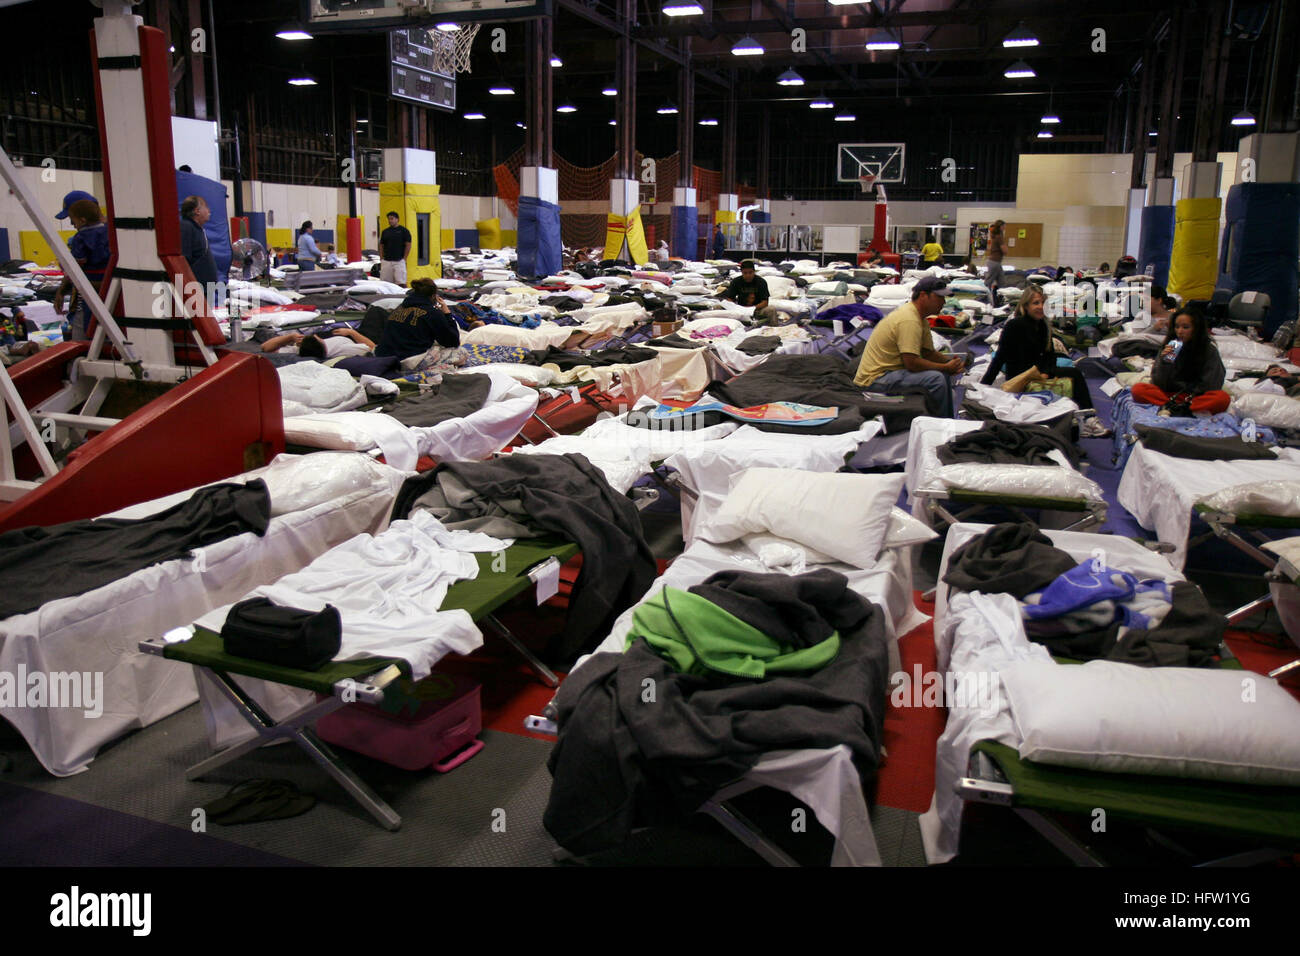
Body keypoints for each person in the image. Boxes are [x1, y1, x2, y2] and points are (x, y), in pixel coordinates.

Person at [980, 285, 1100, 419]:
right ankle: (1088, 417)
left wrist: (1045, 372)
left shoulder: (1043, 326)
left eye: (1043, 303)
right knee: (1075, 374)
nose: (1041, 306)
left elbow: (1050, 356)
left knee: (1074, 373)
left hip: (1039, 373)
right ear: (1025, 305)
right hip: (1021, 377)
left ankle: (1086, 416)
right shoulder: (1014, 325)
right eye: (1036, 303)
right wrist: (983, 387)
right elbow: (1000, 358)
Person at [853, 275, 963, 417]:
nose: (943, 302)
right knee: (936, 379)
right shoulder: (909, 319)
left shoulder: (919, 317)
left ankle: (946, 422)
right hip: (875, 379)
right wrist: (946, 367)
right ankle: (941, 425)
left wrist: (951, 363)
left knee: (941, 374)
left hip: (888, 372)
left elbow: (928, 353)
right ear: (923, 295)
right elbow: (912, 363)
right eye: (939, 297)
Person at [1131, 306, 1230, 415]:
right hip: (1169, 394)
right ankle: (1177, 408)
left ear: (1196, 328)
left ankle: (1179, 409)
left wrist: (1188, 392)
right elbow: (1159, 381)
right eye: (1177, 327)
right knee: (1138, 389)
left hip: (1195, 397)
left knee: (1222, 398)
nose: (1180, 331)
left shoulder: (1208, 350)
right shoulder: (1172, 346)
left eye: (1185, 327)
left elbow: (1212, 384)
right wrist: (1167, 361)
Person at [53, 195, 111, 341]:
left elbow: (75, 265)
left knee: (85, 336)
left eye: (72, 219)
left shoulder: (82, 237)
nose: (72, 224)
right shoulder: (109, 233)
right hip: (95, 290)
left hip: (93, 294)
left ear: (82, 218)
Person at [375, 277, 460, 360]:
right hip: (406, 359)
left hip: (382, 356)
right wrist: (447, 313)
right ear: (434, 296)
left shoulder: (399, 308)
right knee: (460, 353)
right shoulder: (432, 313)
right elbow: (453, 342)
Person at [180, 195, 219, 305]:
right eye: (206, 207)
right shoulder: (186, 227)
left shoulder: (198, 229)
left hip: (205, 288)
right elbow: (184, 259)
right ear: (197, 211)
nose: (209, 211)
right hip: (196, 288)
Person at [261, 326, 374, 360]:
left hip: (338, 336)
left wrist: (290, 337)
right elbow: (373, 347)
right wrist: (352, 332)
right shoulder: (345, 349)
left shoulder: (297, 350)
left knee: (264, 332)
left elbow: (265, 347)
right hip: (351, 336)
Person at [721, 259, 775, 325]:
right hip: (740, 309)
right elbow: (730, 299)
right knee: (719, 307)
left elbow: (765, 302)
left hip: (756, 310)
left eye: (750, 272)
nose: (748, 275)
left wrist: (752, 309)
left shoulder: (761, 282)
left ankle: (774, 328)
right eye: (745, 273)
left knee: (771, 309)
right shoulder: (736, 282)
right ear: (741, 272)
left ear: (754, 272)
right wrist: (734, 307)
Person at [379, 212, 411, 285]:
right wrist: (381, 257)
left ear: (397, 219)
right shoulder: (385, 232)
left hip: (399, 260)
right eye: (389, 219)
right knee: (385, 282)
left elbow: (408, 245)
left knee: (400, 281)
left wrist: (404, 258)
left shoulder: (404, 231)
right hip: (387, 260)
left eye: (392, 219)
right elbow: (381, 245)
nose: (390, 221)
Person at [985, 220, 1008, 302]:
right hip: (995, 262)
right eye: (1004, 226)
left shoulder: (995, 236)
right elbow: (1004, 251)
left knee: (1002, 282)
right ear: (1001, 227)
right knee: (988, 282)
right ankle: (984, 298)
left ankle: (1001, 299)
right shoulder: (999, 237)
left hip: (995, 262)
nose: (1005, 228)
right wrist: (1006, 248)